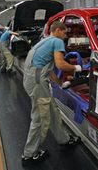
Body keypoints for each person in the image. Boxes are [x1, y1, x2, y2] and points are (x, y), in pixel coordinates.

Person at [21, 21, 82, 166]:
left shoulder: (45, 41)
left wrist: (60, 84)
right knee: (40, 118)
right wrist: (77, 68)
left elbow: (47, 69)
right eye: (65, 32)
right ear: (58, 30)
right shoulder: (56, 41)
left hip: (33, 78)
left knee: (52, 110)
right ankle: (29, 155)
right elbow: (60, 65)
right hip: (36, 82)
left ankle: (64, 140)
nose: (66, 36)